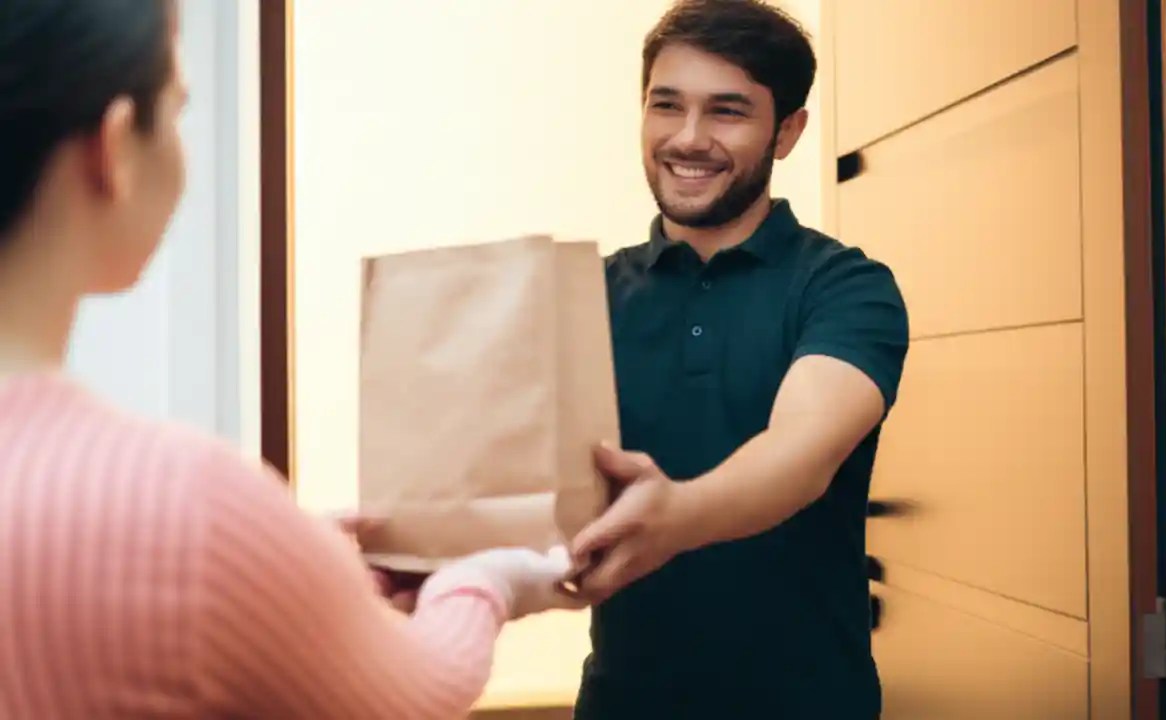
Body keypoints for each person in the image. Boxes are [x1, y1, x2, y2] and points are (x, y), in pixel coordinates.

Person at [0, 2, 581, 718]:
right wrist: (485, 584)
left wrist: (287, 575)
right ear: (113, 148)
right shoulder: (188, 512)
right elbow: (418, 697)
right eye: (176, 114)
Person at [567, 1, 909, 717]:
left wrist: (676, 516)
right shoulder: (582, 295)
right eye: (667, 106)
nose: (688, 139)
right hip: (620, 701)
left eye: (727, 112)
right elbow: (524, 483)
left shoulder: (845, 287)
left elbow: (800, 452)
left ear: (787, 132)